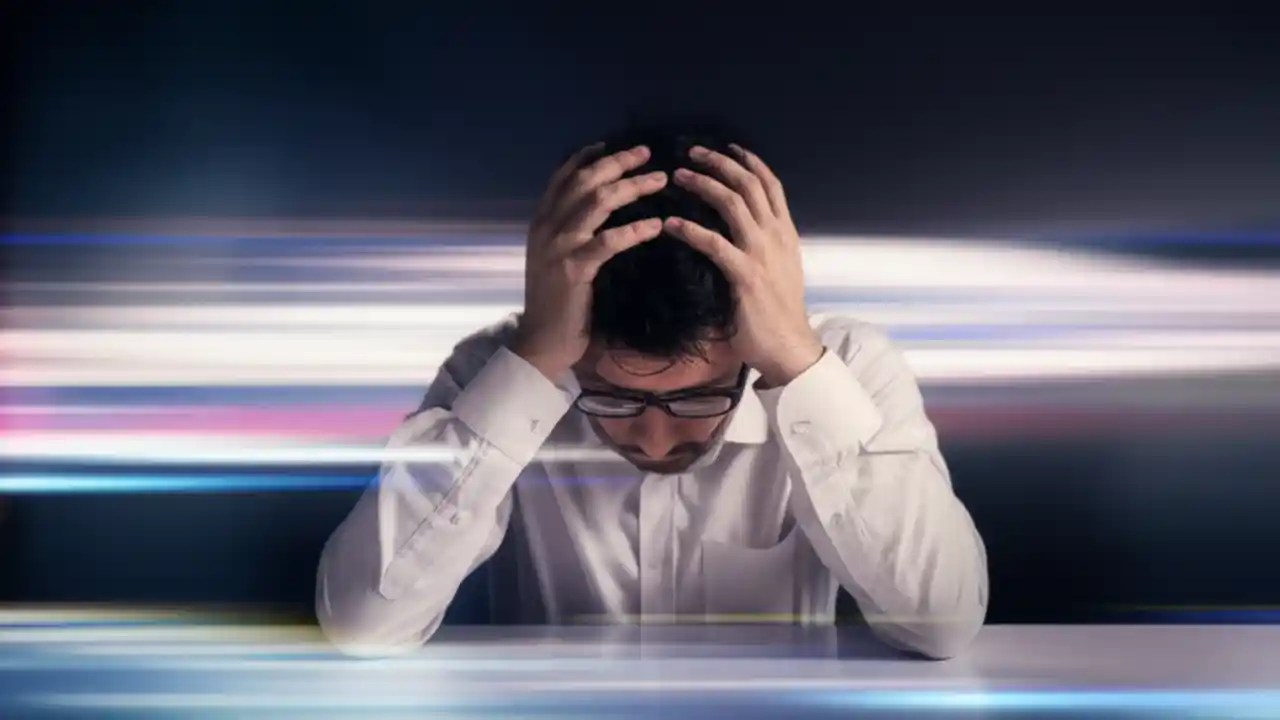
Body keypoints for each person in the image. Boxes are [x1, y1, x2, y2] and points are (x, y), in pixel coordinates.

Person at [315, 121, 988, 659]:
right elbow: (362, 623)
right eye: (612, 398)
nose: (654, 438)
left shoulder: (847, 369)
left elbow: (944, 623)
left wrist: (796, 367)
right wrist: (532, 365)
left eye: (700, 399)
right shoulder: (500, 371)